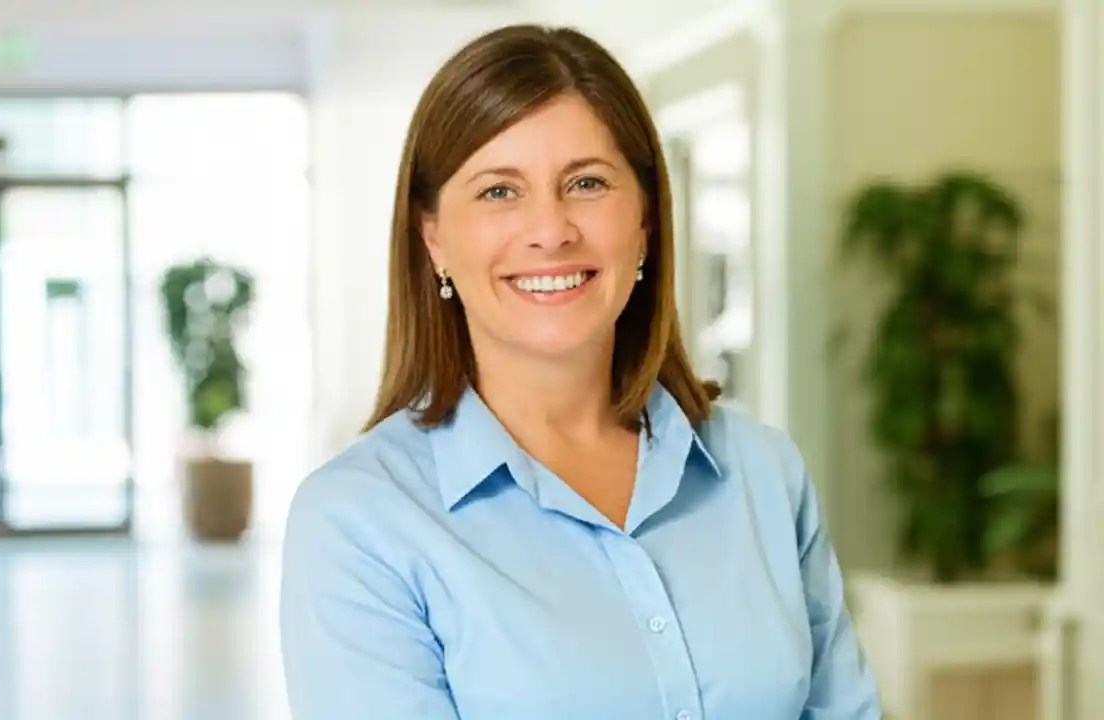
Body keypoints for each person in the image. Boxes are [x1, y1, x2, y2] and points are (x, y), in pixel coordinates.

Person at [280, 23, 882, 720]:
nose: (551, 230)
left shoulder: (763, 473)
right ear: (433, 236)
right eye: (499, 191)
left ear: (645, 220)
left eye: (587, 183)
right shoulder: (360, 522)